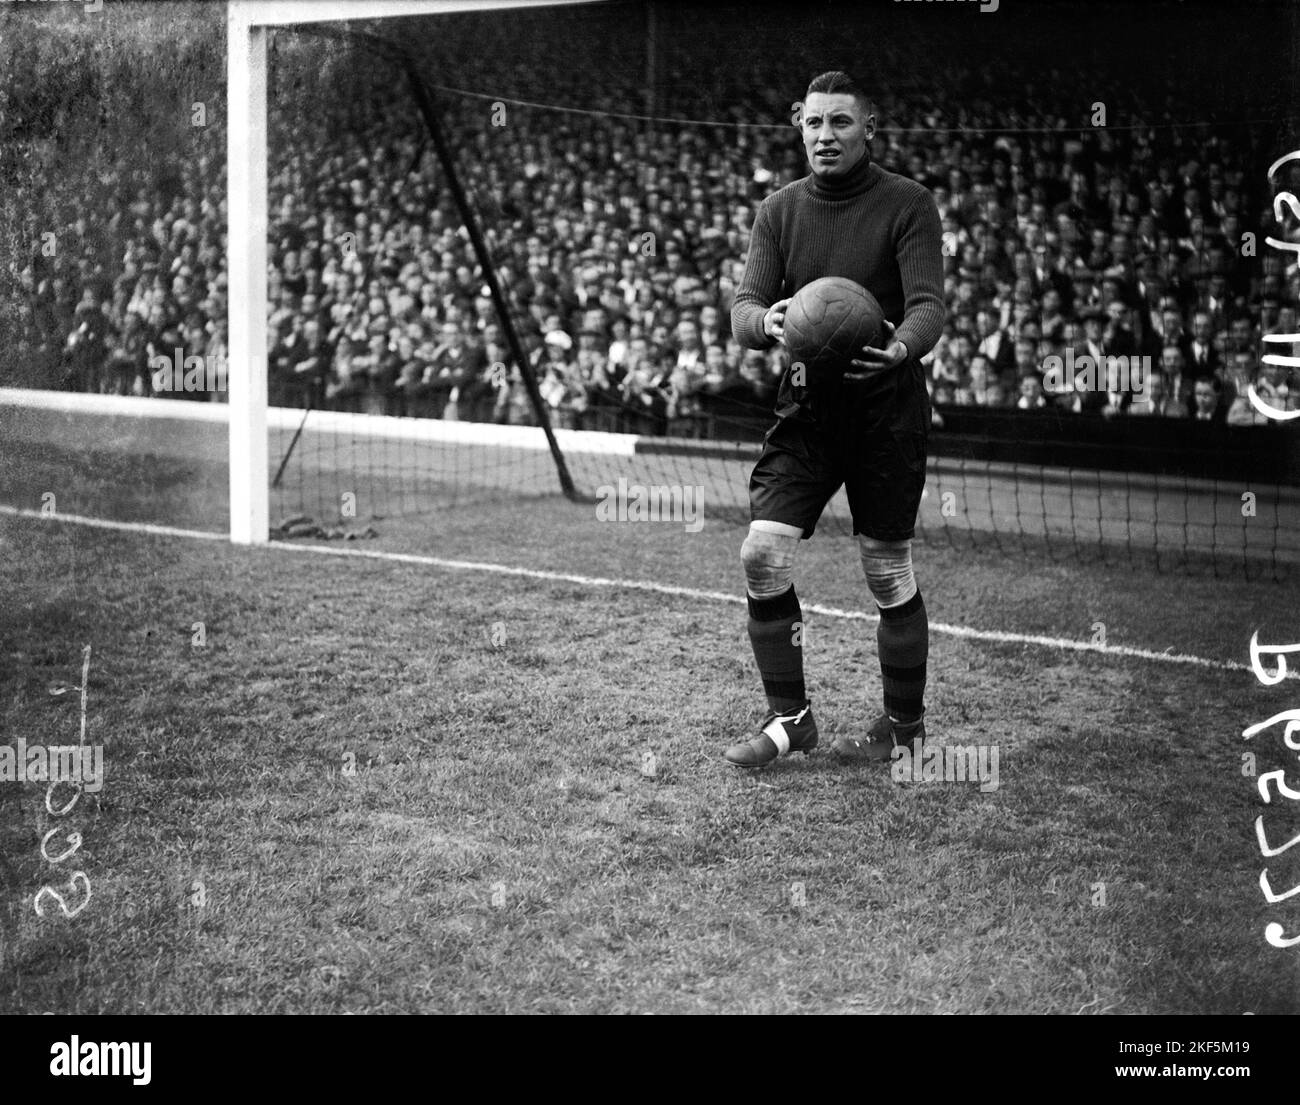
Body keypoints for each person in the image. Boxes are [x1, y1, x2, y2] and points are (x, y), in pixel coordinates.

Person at [723, 71, 943, 769]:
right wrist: (768, 320)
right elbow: (743, 307)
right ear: (799, 124)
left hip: (886, 409)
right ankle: (791, 718)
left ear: (869, 127)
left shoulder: (908, 203)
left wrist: (900, 346)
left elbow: (929, 304)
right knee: (761, 552)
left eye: (841, 123)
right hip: (808, 407)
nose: (826, 136)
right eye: (815, 123)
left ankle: (904, 726)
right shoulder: (778, 210)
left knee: (884, 568)